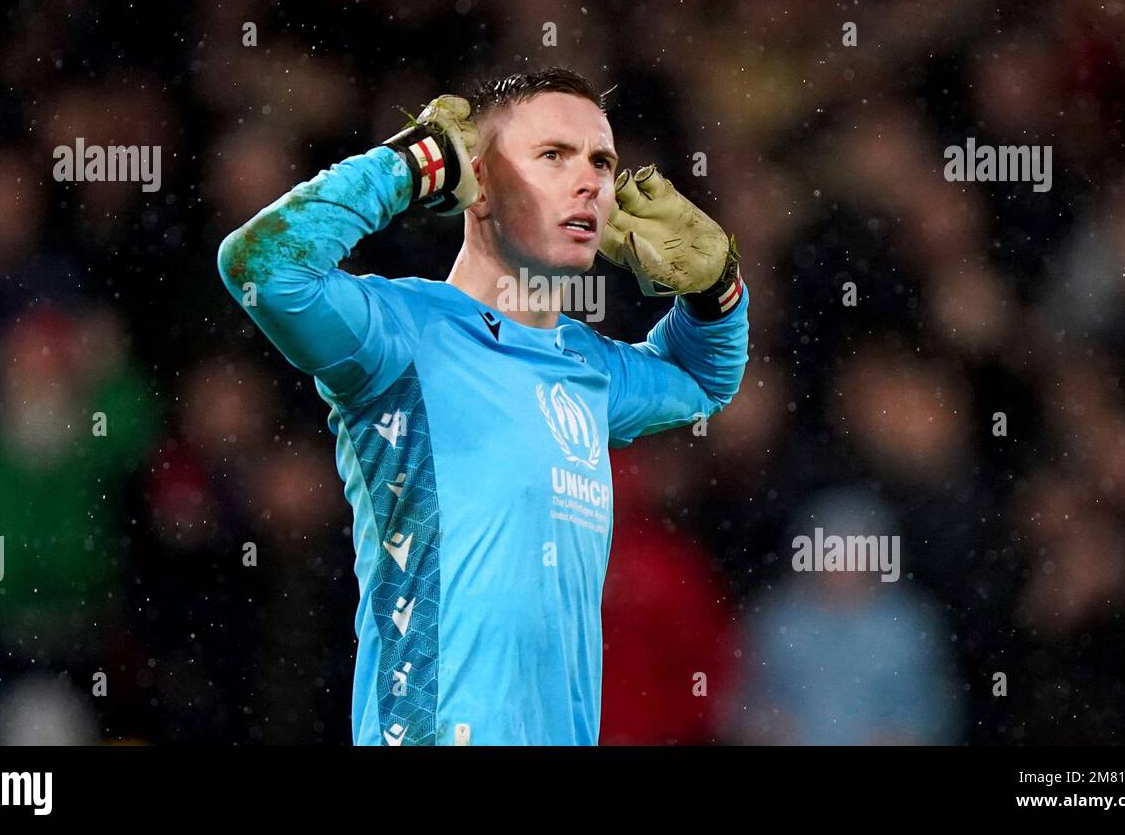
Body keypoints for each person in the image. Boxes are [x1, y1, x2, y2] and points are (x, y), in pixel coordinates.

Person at [217, 67, 749, 745]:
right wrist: (411, 164)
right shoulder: (399, 336)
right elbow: (261, 268)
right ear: (479, 184)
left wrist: (716, 292)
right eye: (553, 156)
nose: (590, 181)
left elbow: (704, 380)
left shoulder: (588, 370)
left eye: (601, 162)